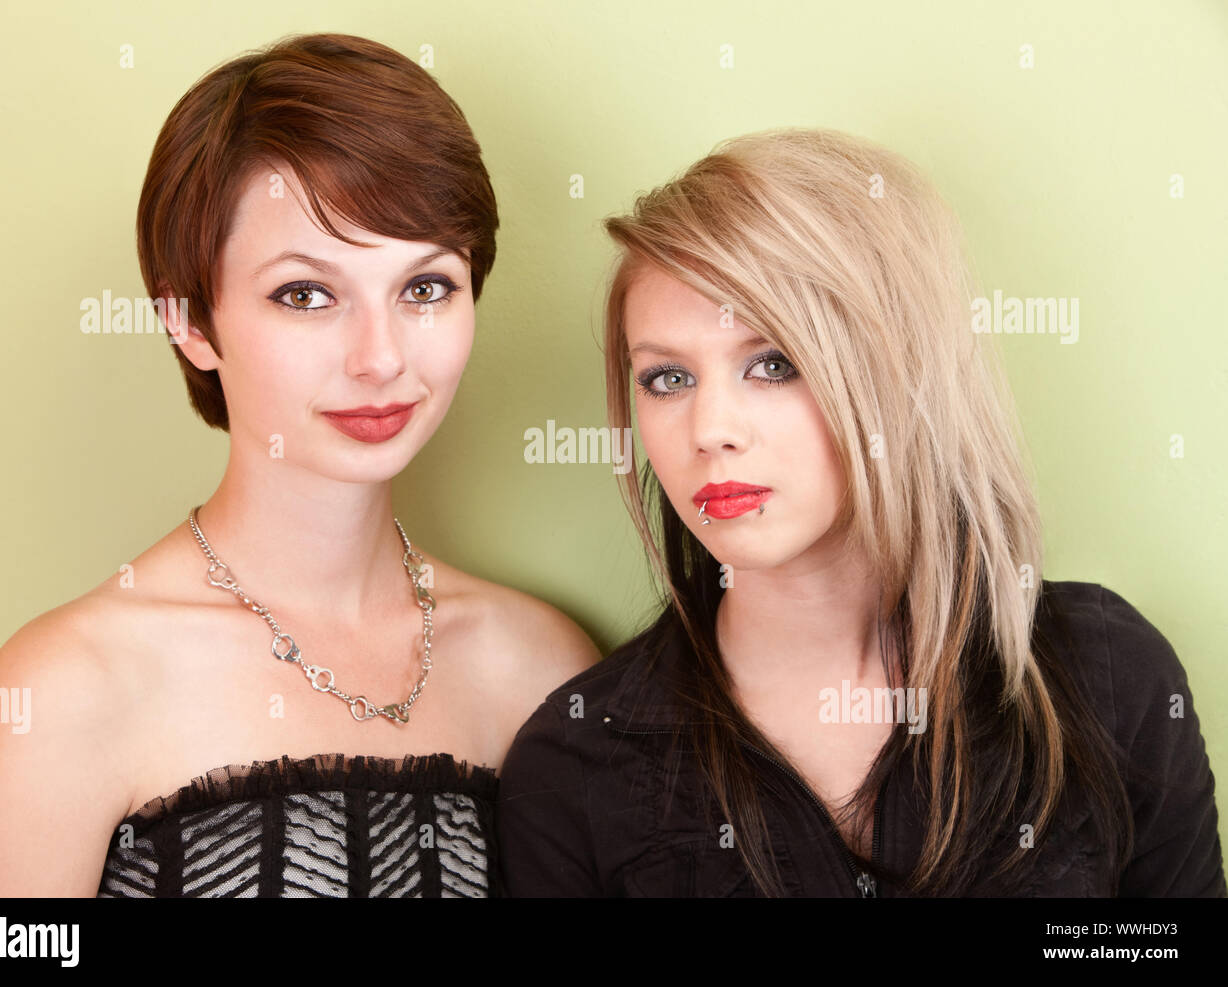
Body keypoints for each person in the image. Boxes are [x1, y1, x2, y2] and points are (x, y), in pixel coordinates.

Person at [0, 33, 598, 898]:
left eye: (425, 287)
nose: (380, 357)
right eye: (306, 294)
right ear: (192, 322)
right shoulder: (62, 689)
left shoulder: (544, 669)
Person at [495, 127, 1226, 896]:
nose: (710, 430)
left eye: (774, 363)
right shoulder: (572, 769)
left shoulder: (1109, 679)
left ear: (897, 369)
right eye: (667, 378)